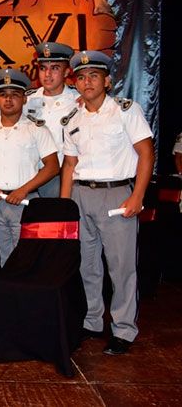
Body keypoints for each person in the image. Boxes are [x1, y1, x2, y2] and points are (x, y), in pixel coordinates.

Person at [60, 50, 154, 355]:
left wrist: (138, 195)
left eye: (94, 76)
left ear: (107, 81)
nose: (87, 82)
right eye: (82, 77)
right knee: (87, 265)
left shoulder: (126, 111)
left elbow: (146, 153)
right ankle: (91, 322)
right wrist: (65, 206)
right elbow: (70, 164)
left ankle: (124, 329)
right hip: (81, 194)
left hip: (116, 195)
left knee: (121, 266)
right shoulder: (72, 118)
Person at [0, 69, 59, 265]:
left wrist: (24, 190)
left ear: (24, 99)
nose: (8, 100)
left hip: (25, 202)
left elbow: (53, 166)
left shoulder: (37, 128)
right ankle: (5, 296)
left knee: (28, 257)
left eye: (15, 95)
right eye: (3, 95)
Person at [26, 42, 78, 197]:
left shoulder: (78, 102)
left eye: (54, 68)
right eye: (43, 68)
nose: (47, 74)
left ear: (67, 71)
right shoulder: (26, 101)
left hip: (63, 178)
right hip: (29, 178)